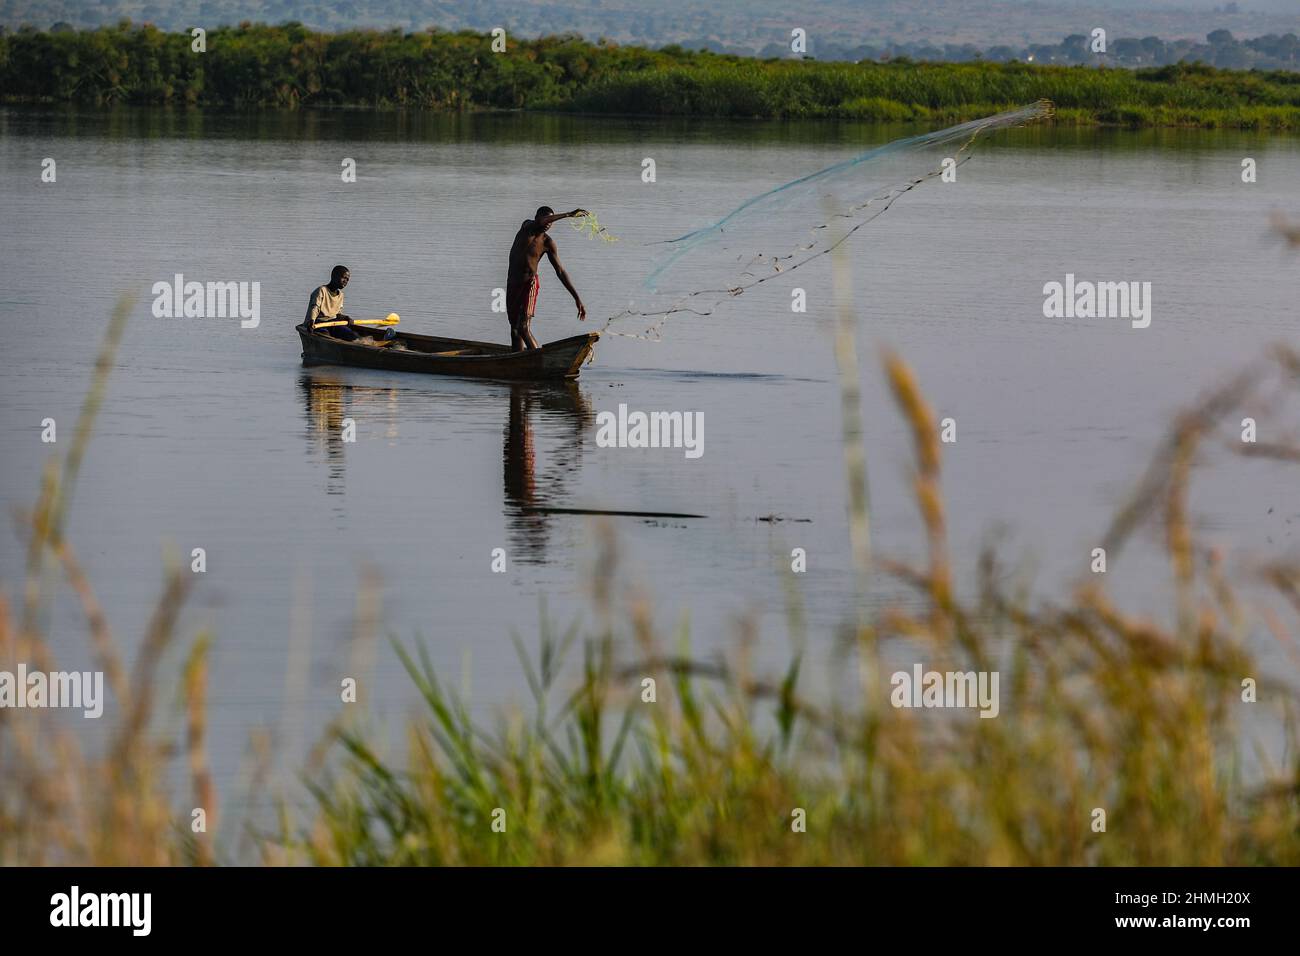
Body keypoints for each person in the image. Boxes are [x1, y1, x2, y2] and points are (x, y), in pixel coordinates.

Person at [506, 207, 588, 351]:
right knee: (515, 330)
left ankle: (539, 359)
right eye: (546, 220)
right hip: (513, 283)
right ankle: (518, 364)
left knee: (523, 328)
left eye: (551, 221)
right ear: (536, 218)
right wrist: (568, 214)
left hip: (529, 285)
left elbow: (560, 272)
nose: (548, 224)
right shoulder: (527, 227)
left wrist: (577, 298)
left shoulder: (547, 242)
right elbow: (543, 220)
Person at [304, 265, 395, 342]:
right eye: (344, 278)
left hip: (333, 323)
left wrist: (346, 318)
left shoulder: (340, 295)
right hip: (317, 324)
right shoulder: (321, 291)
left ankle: (371, 342)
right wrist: (311, 321)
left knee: (351, 334)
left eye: (347, 280)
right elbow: (315, 308)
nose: (345, 281)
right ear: (334, 276)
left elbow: (337, 314)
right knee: (326, 337)